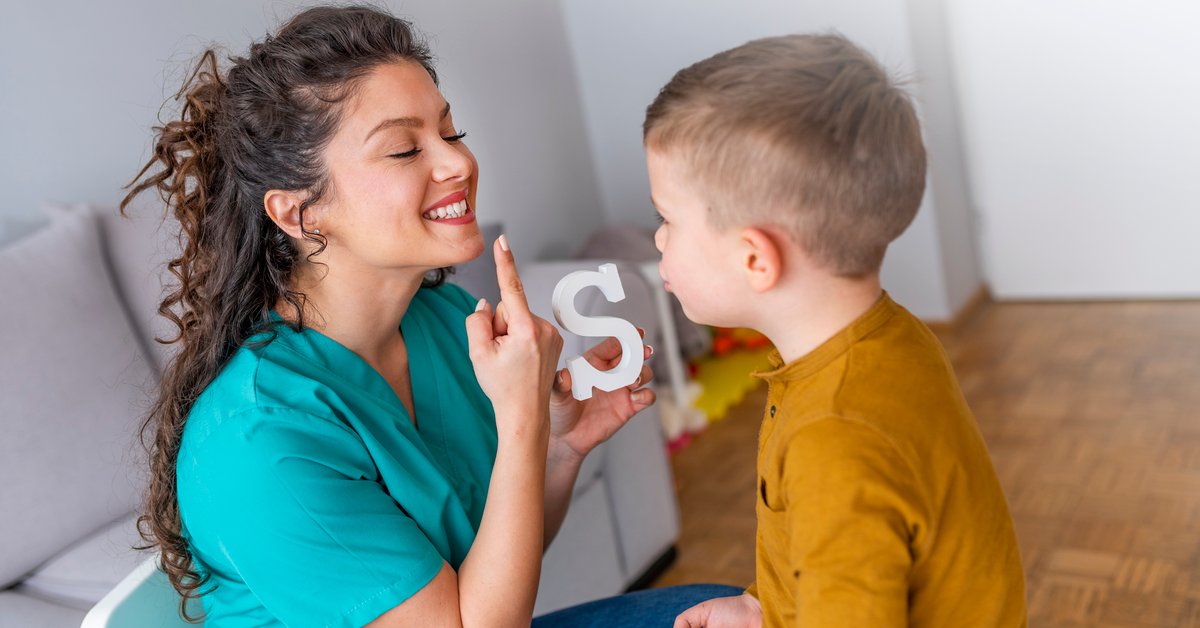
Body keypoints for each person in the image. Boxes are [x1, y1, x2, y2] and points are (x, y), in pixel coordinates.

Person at [123, 6, 736, 627]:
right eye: (402, 149)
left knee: (722, 610)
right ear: (300, 214)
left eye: (451, 132)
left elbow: (491, 571)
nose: (458, 164)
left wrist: (560, 448)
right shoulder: (262, 440)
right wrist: (522, 422)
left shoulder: (445, 320)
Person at [641, 34, 1029, 626]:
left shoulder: (836, 441)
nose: (659, 238)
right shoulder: (890, 335)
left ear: (755, 259)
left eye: (666, 218)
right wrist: (760, 606)